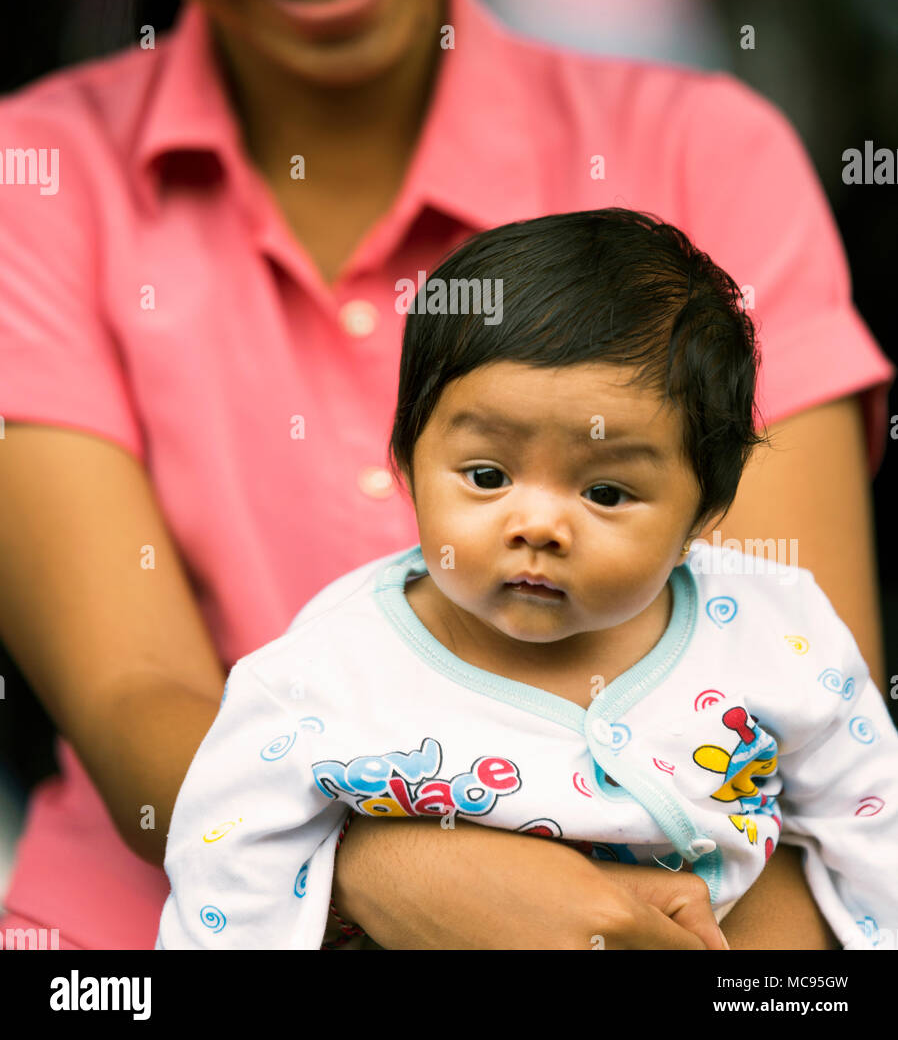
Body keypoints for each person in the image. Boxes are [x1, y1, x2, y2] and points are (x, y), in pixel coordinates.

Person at [0, 0, 893, 951]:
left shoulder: (710, 154)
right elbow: (135, 690)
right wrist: (374, 872)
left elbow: (791, 696)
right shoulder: (36, 185)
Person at [154, 209, 898, 951]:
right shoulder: (329, 668)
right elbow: (227, 852)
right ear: (408, 462)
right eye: (487, 475)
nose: (538, 525)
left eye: (606, 493)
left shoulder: (775, 630)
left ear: (702, 512)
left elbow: (872, 820)